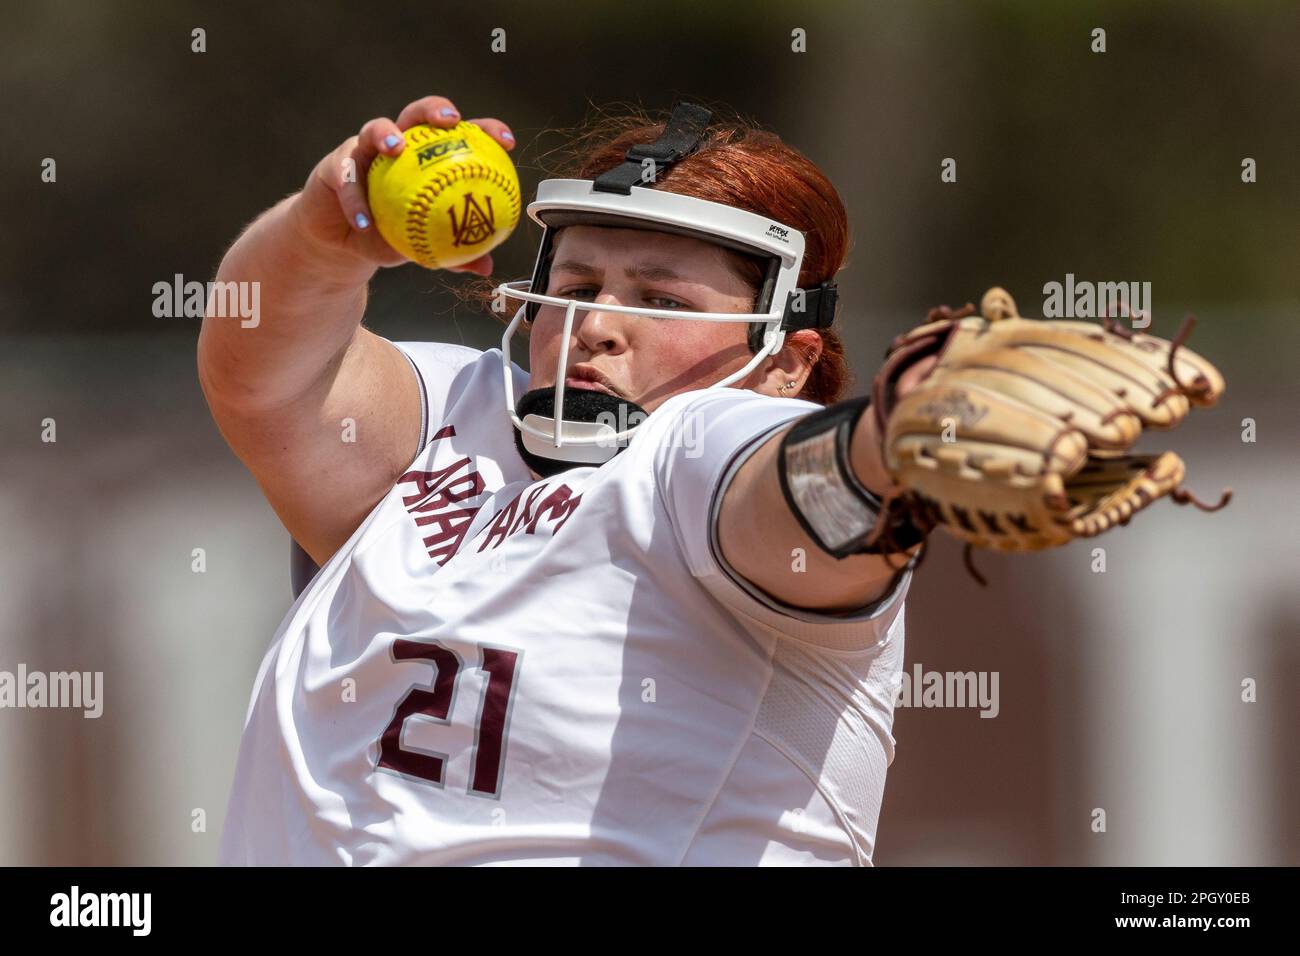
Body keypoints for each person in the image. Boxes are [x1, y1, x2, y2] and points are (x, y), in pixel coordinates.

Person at [199, 96, 927, 866]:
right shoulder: (455, 416)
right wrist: (320, 235)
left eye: (661, 299)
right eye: (577, 289)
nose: (598, 324)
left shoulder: (709, 445)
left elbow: (802, 504)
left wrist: (886, 451)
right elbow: (263, 382)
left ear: (787, 364)